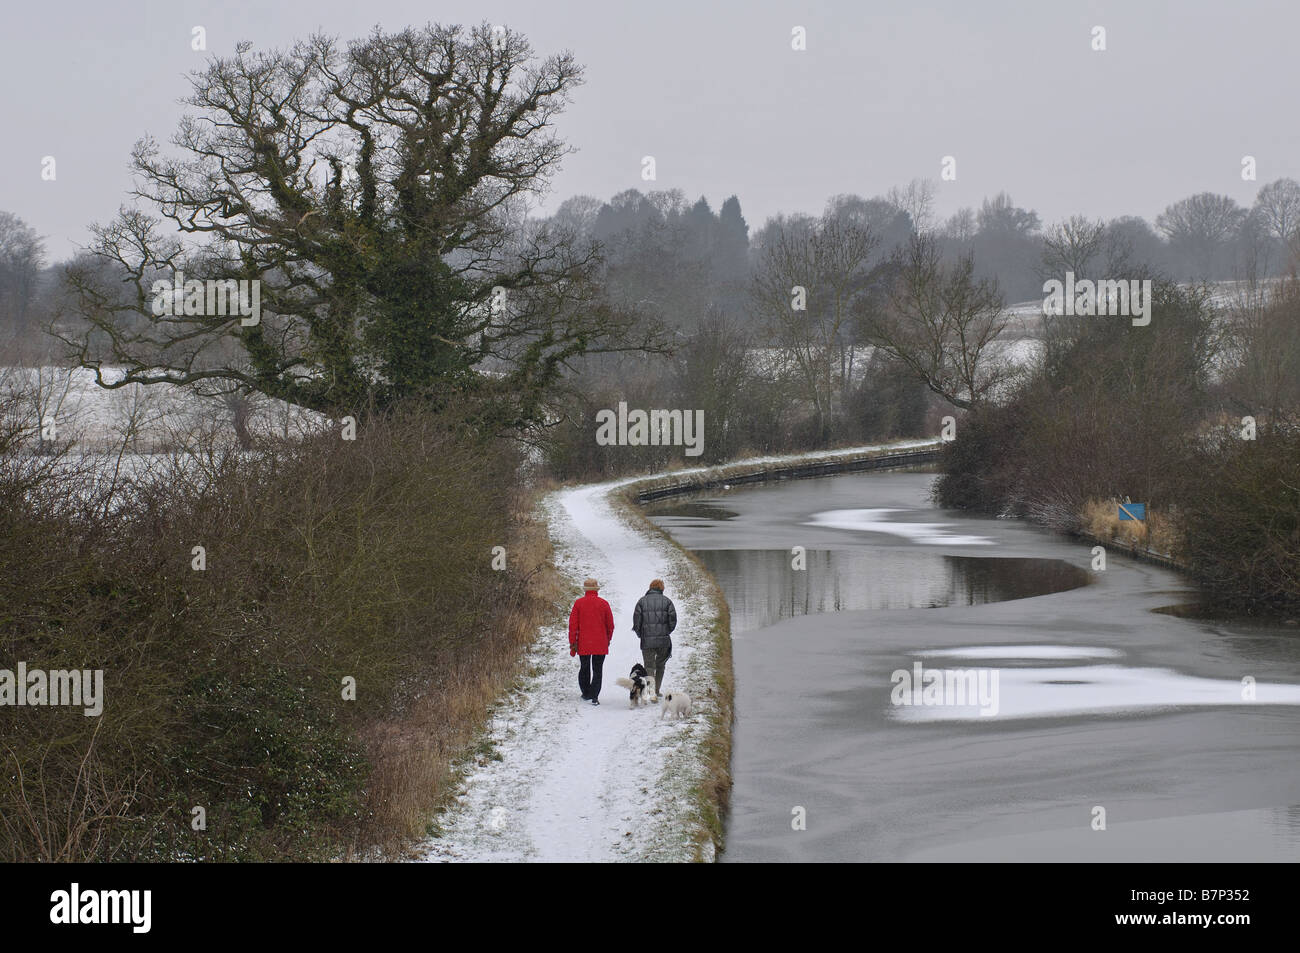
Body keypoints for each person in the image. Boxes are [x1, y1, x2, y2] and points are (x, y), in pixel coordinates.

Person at [569, 577, 614, 705]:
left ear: (585, 590)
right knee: (598, 669)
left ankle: (586, 692)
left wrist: (573, 642)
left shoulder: (579, 603)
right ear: (596, 590)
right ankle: (595, 695)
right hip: (600, 642)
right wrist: (607, 639)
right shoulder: (604, 604)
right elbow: (610, 625)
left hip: (584, 642)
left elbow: (573, 625)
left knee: (584, 667)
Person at [632, 578, 676, 701]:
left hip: (647, 641)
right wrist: (667, 632)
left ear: (650, 588)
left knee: (649, 666)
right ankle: (656, 690)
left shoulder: (642, 602)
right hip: (663, 640)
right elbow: (673, 621)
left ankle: (651, 692)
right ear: (662, 589)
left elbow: (636, 621)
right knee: (660, 665)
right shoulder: (667, 602)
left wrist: (641, 634)